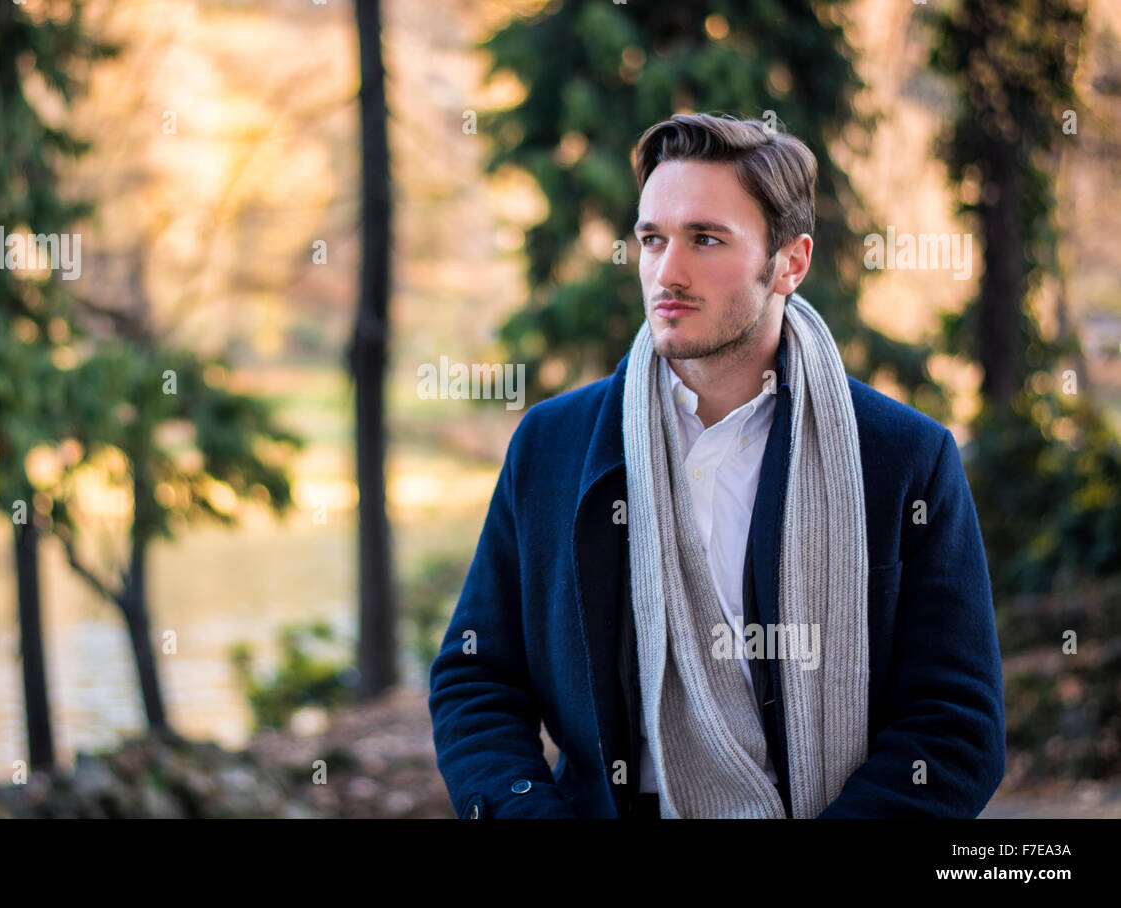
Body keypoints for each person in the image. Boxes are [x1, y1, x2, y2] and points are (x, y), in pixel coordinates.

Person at [427, 113, 1005, 819]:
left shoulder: (901, 456)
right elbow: (476, 675)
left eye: (705, 239)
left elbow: (954, 723)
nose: (667, 272)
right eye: (651, 240)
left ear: (790, 261)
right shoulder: (553, 446)